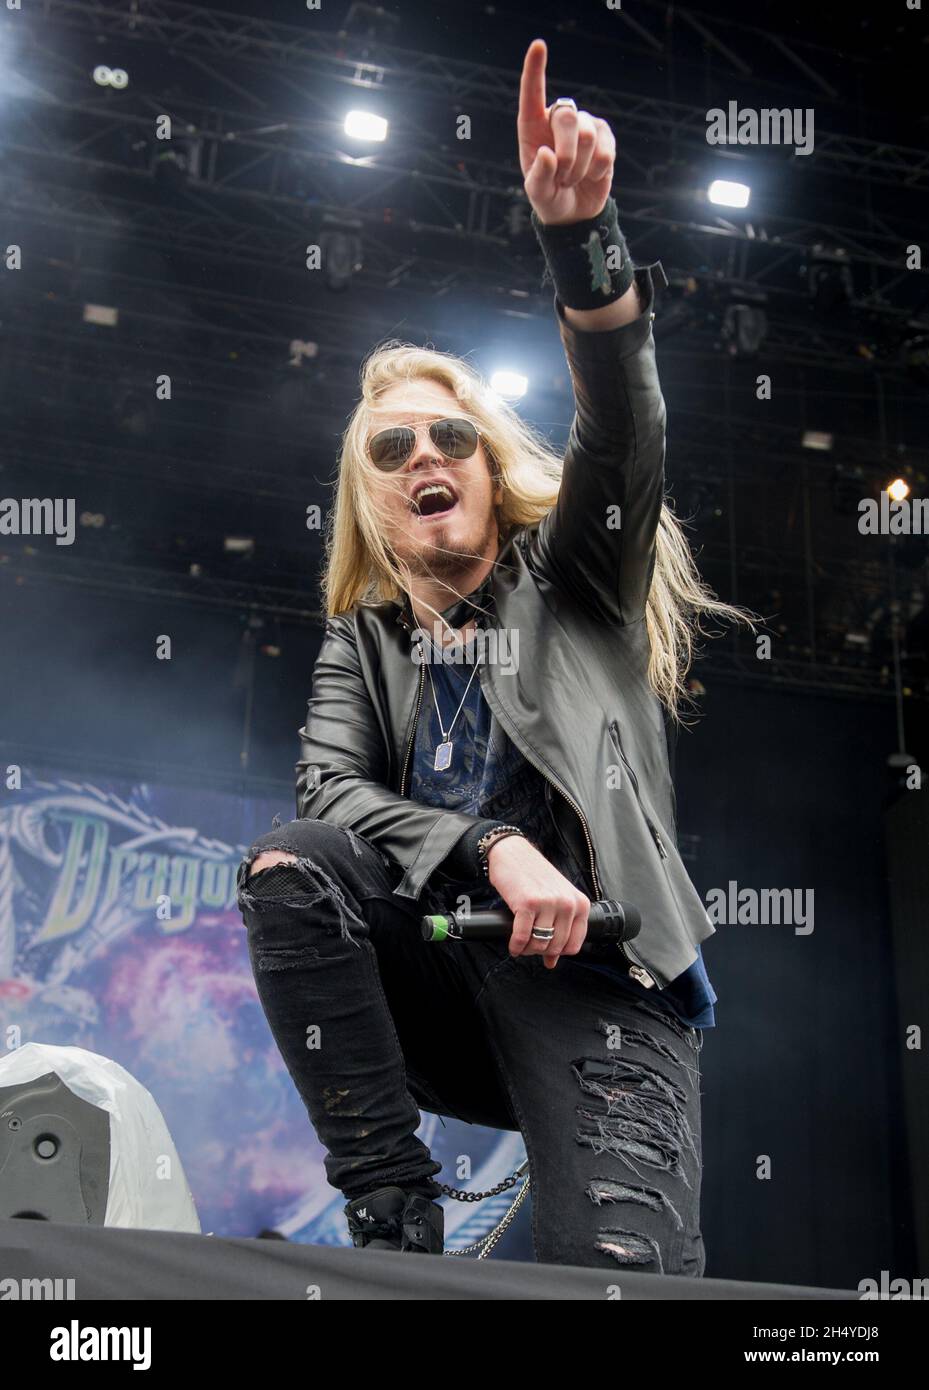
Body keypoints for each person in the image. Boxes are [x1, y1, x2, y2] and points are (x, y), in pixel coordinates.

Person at [236, 38, 749, 1270]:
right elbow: (330, 790)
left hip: (603, 992)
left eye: (450, 436)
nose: (425, 455)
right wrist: (490, 848)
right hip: (438, 978)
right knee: (293, 862)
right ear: (370, 498)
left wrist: (581, 241)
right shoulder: (364, 644)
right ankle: (389, 1205)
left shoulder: (576, 581)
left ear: (484, 464)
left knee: (617, 1285)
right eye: (392, 447)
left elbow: (623, 423)